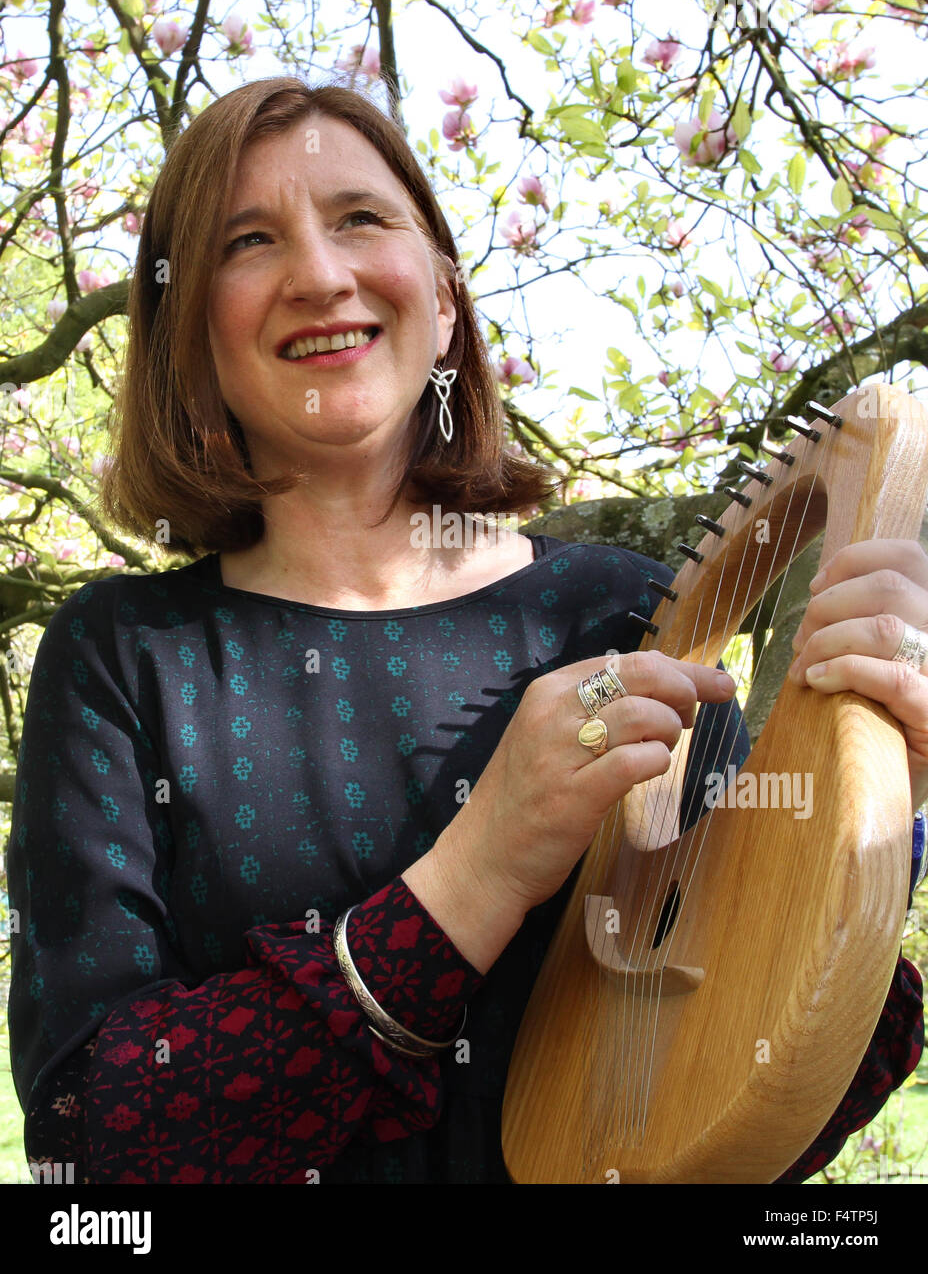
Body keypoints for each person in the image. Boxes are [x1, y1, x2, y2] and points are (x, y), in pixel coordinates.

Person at [7, 77, 925, 1186]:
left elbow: (743, 1112)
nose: (319, 274)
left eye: (360, 218)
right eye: (248, 241)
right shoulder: (121, 656)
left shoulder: (619, 614)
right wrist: (475, 876)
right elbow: (84, 1140)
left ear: (443, 299)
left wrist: (870, 801)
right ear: (190, 330)